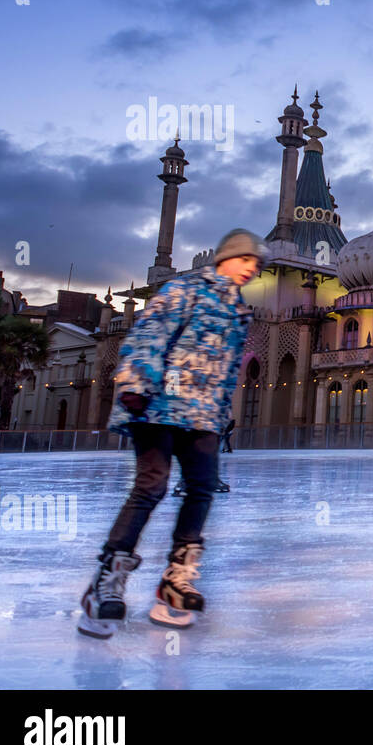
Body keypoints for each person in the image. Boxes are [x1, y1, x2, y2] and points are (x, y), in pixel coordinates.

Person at [78, 229, 263, 639]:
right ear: (226, 258)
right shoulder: (186, 290)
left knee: (201, 489)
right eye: (247, 259)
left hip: (202, 416)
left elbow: (226, 371)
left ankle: (175, 581)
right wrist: (135, 384)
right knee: (150, 488)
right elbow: (150, 335)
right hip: (160, 406)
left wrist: (218, 415)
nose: (253, 268)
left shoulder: (238, 310)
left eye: (258, 264)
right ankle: (106, 584)